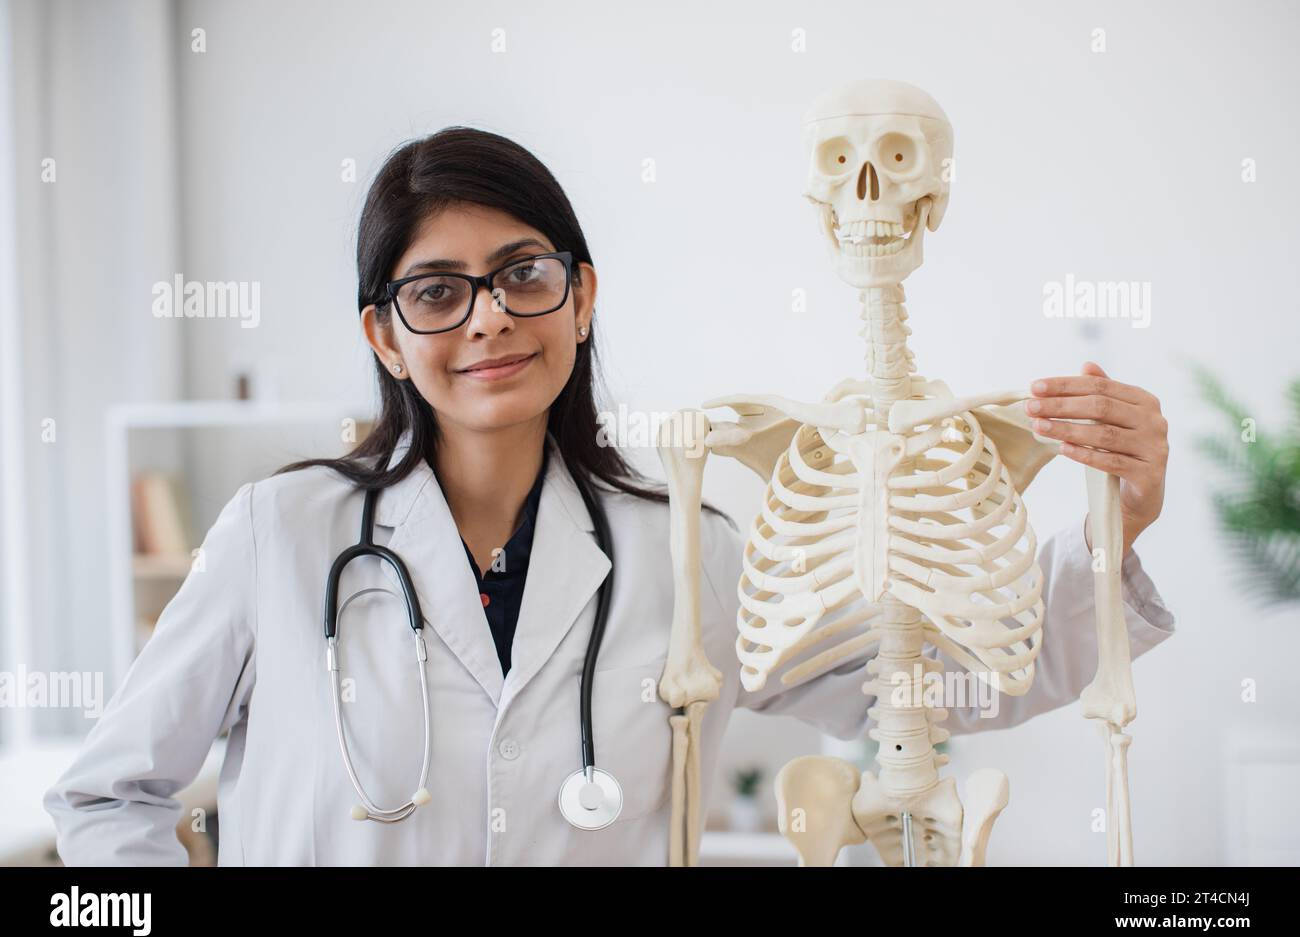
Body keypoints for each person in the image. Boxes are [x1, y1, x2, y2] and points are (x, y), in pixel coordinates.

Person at [44, 127, 1175, 866]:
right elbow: (105, 797)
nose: (488, 317)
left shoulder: (685, 551)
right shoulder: (276, 537)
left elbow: (929, 694)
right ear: (384, 337)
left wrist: (1106, 530)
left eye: (523, 275)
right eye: (437, 291)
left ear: (580, 299)